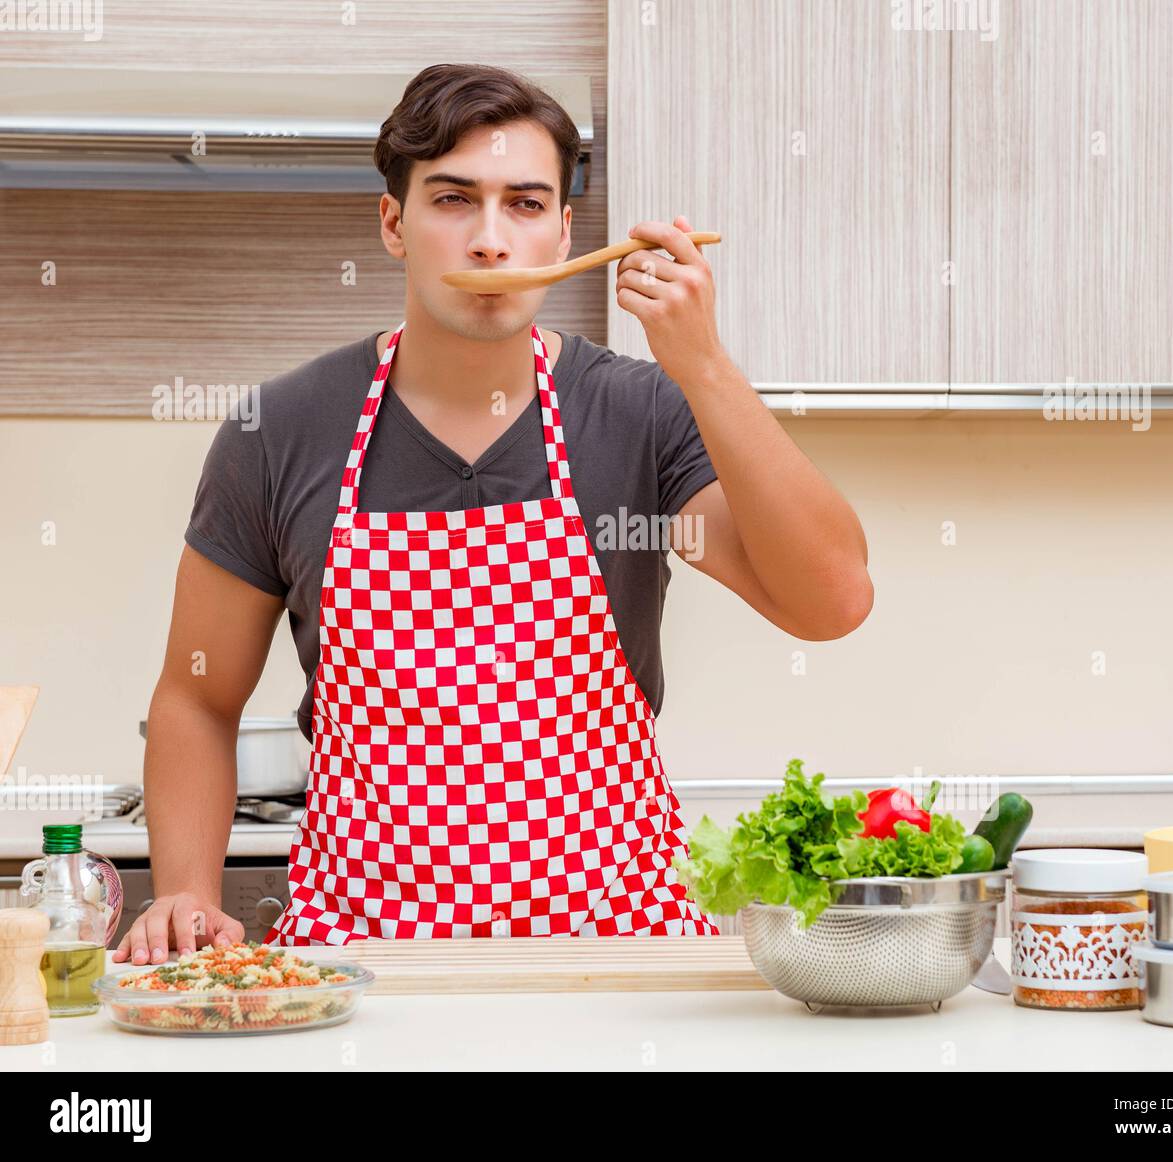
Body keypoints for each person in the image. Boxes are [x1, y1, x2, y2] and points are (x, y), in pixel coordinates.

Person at [114, 62, 873, 962]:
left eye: (523, 204)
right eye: (451, 200)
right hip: (362, 958)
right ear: (393, 224)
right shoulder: (279, 430)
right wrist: (187, 894)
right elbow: (198, 697)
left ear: (563, 230)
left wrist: (704, 365)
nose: (488, 241)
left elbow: (830, 602)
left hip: (619, 952)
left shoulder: (640, 413)